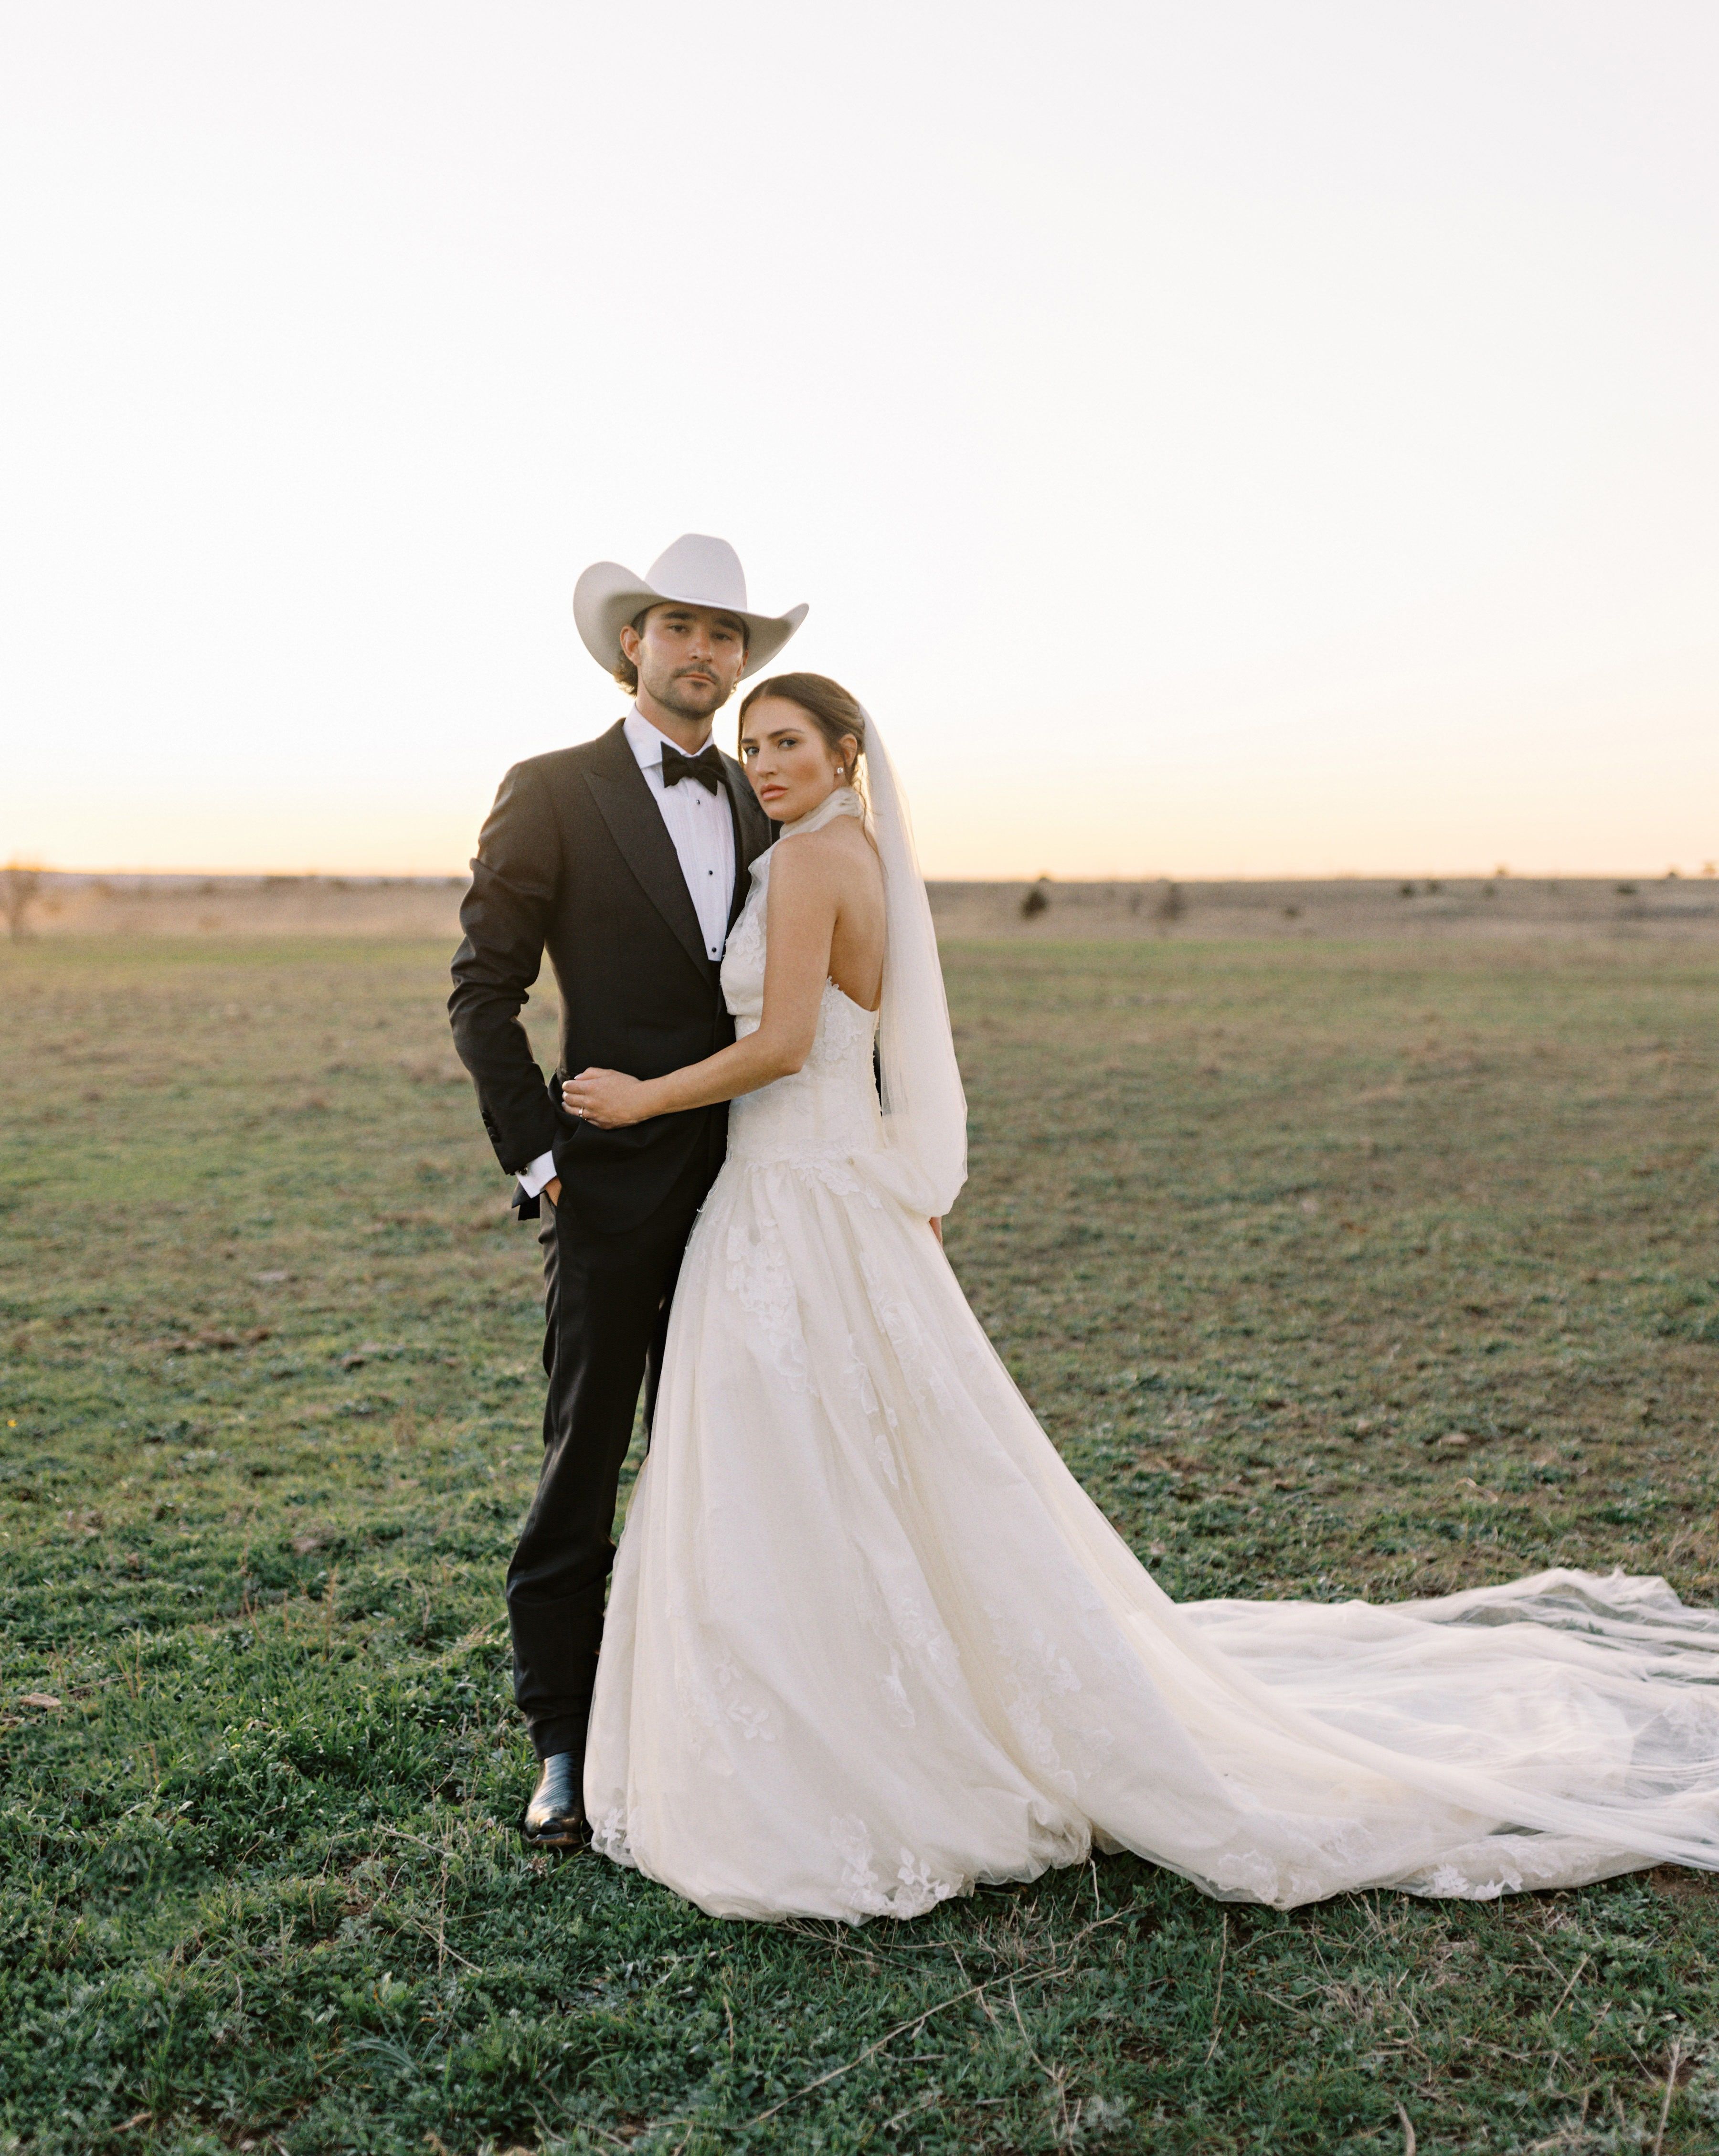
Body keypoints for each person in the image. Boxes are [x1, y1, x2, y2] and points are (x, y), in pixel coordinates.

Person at [563, 673, 1719, 1922]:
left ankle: (846, 1739)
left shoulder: (801, 869)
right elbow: (868, 1049)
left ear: (850, 754)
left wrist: (642, 1096)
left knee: (793, 1464)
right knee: (874, 1463)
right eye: (752, 745)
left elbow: (787, 1041)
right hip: (839, 1195)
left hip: (792, 1201)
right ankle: (882, 1693)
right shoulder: (864, 861)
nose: (764, 761)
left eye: (788, 741)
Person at [448, 534, 806, 1845]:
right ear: (631, 647)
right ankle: (562, 1742)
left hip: (763, 1181)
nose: (706, 651)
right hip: (606, 1189)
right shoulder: (549, 790)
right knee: (586, 1458)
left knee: (742, 1454)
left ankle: (734, 1716)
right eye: (681, 627)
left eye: (729, 634)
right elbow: (482, 991)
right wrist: (542, 1160)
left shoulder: (776, 796)